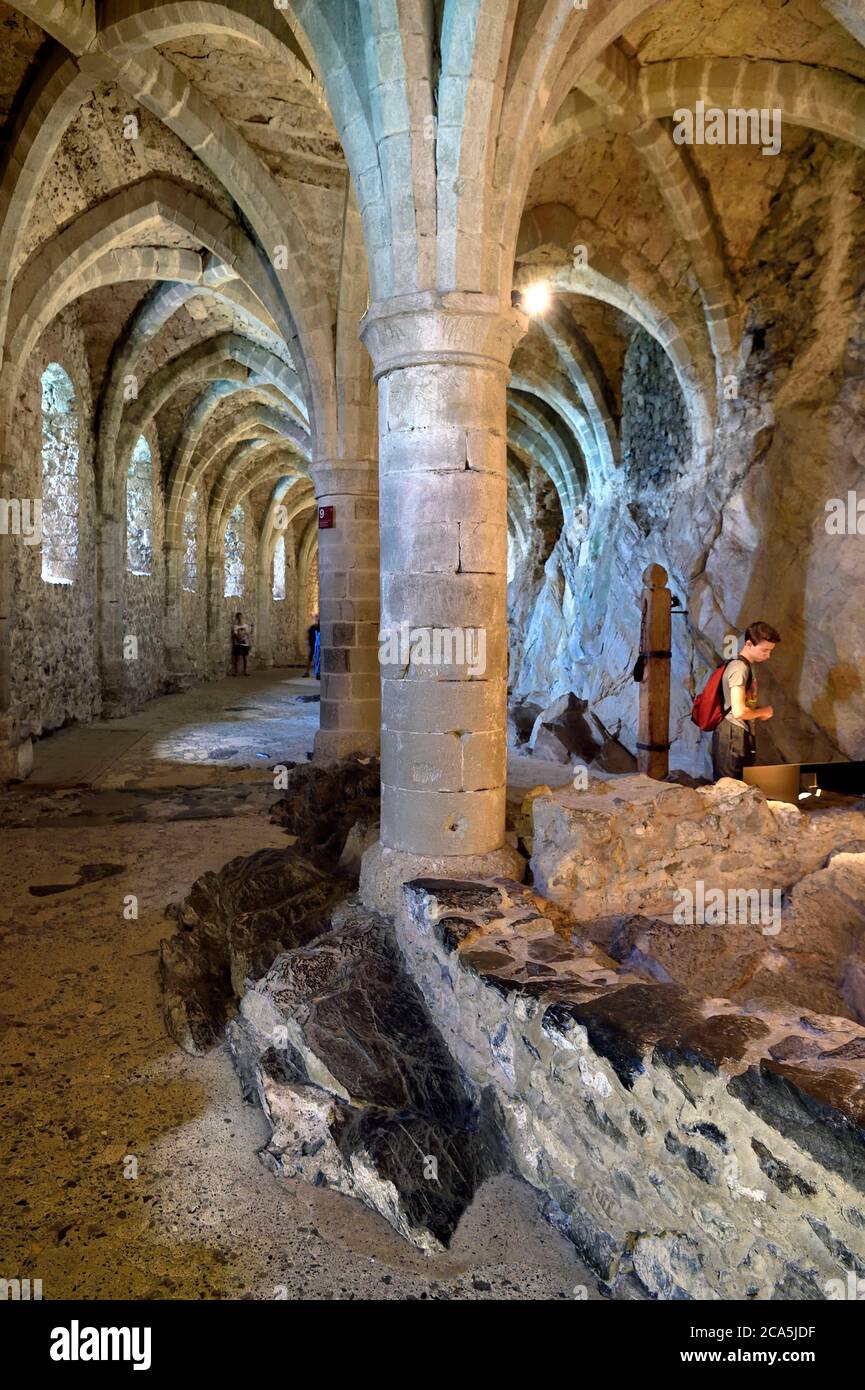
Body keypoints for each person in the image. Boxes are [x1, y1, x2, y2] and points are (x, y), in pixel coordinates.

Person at [712, 621, 780, 780]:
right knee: (730, 787)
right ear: (749, 643)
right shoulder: (739, 668)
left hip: (737, 733)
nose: (767, 655)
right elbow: (739, 711)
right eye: (764, 650)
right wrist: (763, 712)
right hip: (732, 735)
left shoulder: (746, 666)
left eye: (770, 651)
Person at [231, 611, 252, 676]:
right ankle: (236, 671)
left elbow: (248, 635)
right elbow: (235, 635)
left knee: (245, 658)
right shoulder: (235, 626)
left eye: (241, 617)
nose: (240, 618)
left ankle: (245, 671)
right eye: (238, 617)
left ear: (242, 617)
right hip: (237, 644)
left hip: (245, 644)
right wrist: (239, 636)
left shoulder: (246, 626)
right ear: (237, 618)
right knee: (237, 658)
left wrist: (250, 643)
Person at [305, 613, 320, 678]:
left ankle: (317, 673)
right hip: (313, 645)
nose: (317, 619)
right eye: (316, 617)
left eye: (318, 618)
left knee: (318, 659)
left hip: (318, 645)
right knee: (310, 658)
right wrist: (309, 642)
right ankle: (307, 672)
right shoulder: (312, 627)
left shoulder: (319, 627)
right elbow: (309, 635)